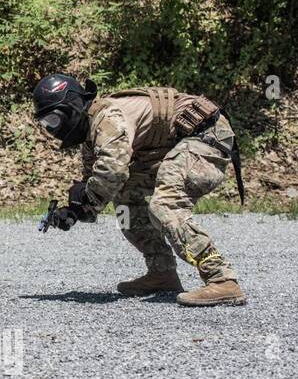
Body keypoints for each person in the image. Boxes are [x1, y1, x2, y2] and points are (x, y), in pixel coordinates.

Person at [33, 73, 246, 307]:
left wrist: (88, 198)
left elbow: (112, 171)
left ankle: (222, 278)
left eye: (53, 120)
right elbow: (97, 183)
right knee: (125, 197)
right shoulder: (91, 134)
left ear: (71, 107)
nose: (52, 129)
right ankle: (162, 272)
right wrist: (74, 211)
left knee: (165, 204)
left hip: (207, 135)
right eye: (45, 124)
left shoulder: (107, 117)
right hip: (177, 144)